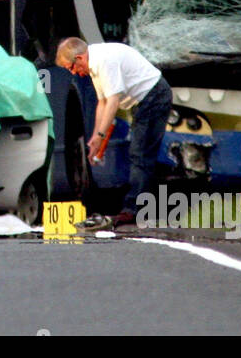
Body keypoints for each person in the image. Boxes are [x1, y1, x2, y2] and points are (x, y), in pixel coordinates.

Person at [55, 37, 172, 228]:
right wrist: (95, 137)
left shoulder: (104, 61)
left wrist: (101, 136)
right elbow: (101, 103)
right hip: (142, 100)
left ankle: (133, 210)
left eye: (71, 67)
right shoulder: (93, 63)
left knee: (140, 154)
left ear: (79, 58)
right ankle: (142, 207)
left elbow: (113, 102)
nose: (74, 73)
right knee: (140, 154)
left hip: (153, 96)